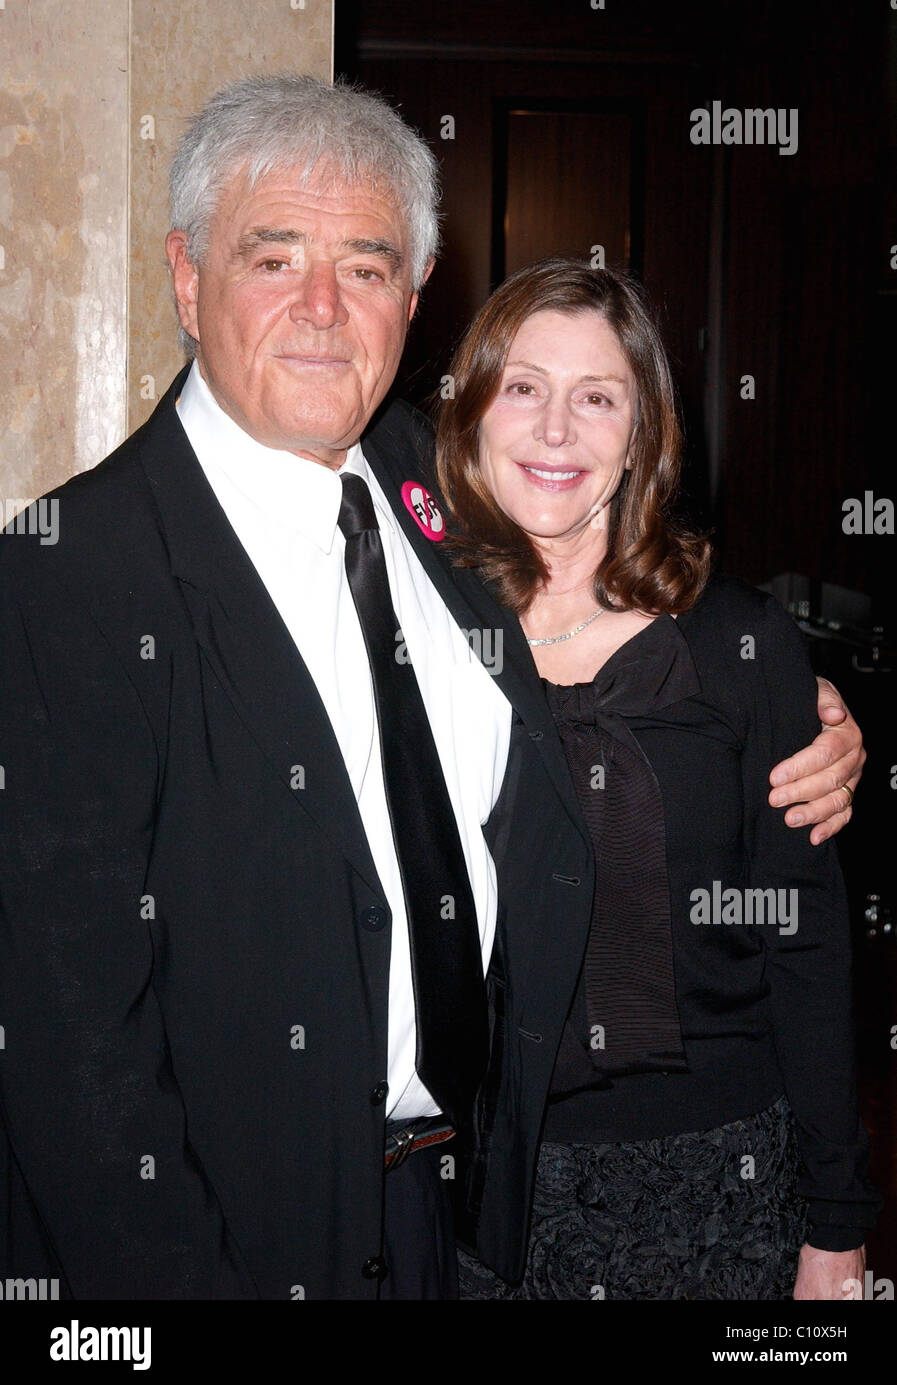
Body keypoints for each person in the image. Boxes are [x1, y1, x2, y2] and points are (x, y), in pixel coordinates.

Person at [0, 77, 864, 1301]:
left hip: (455, 1216)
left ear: (411, 301)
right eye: (274, 256)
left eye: (364, 266)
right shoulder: (72, 573)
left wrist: (804, 710)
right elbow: (67, 1038)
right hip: (231, 1225)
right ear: (187, 280)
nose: (320, 308)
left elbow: (613, 642)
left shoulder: (432, 489)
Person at [435, 258, 881, 1301]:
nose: (556, 431)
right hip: (484, 1191)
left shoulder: (742, 644)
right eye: (524, 388)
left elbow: (807, 949)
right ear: (470, 414)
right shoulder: (422, 633)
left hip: (719, 1187)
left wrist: (838, 1223)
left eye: (597, 398)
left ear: (642, 434)